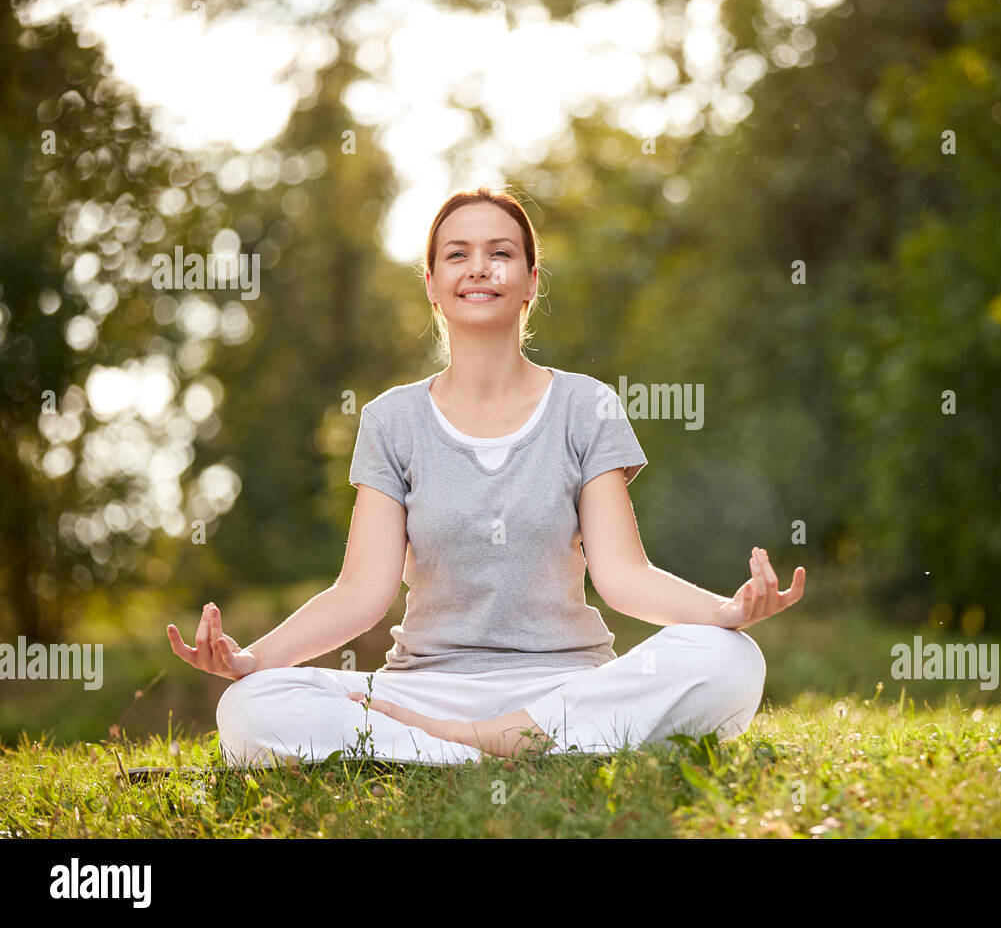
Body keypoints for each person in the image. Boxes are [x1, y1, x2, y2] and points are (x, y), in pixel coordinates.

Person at [166, 185, 806, 767]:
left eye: (500, 253)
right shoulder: (393, 421)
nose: (479, 267)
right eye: (457, 254)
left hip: (564, 684)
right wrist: (253, 661)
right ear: (432, 283)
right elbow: (362, 592)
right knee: (251, 706)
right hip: (426, 689)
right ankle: (476, 746)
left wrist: (723, 612)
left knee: (730, 660)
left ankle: (473, 745)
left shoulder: (586, 407)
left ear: (530, 281)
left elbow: (623, 577)